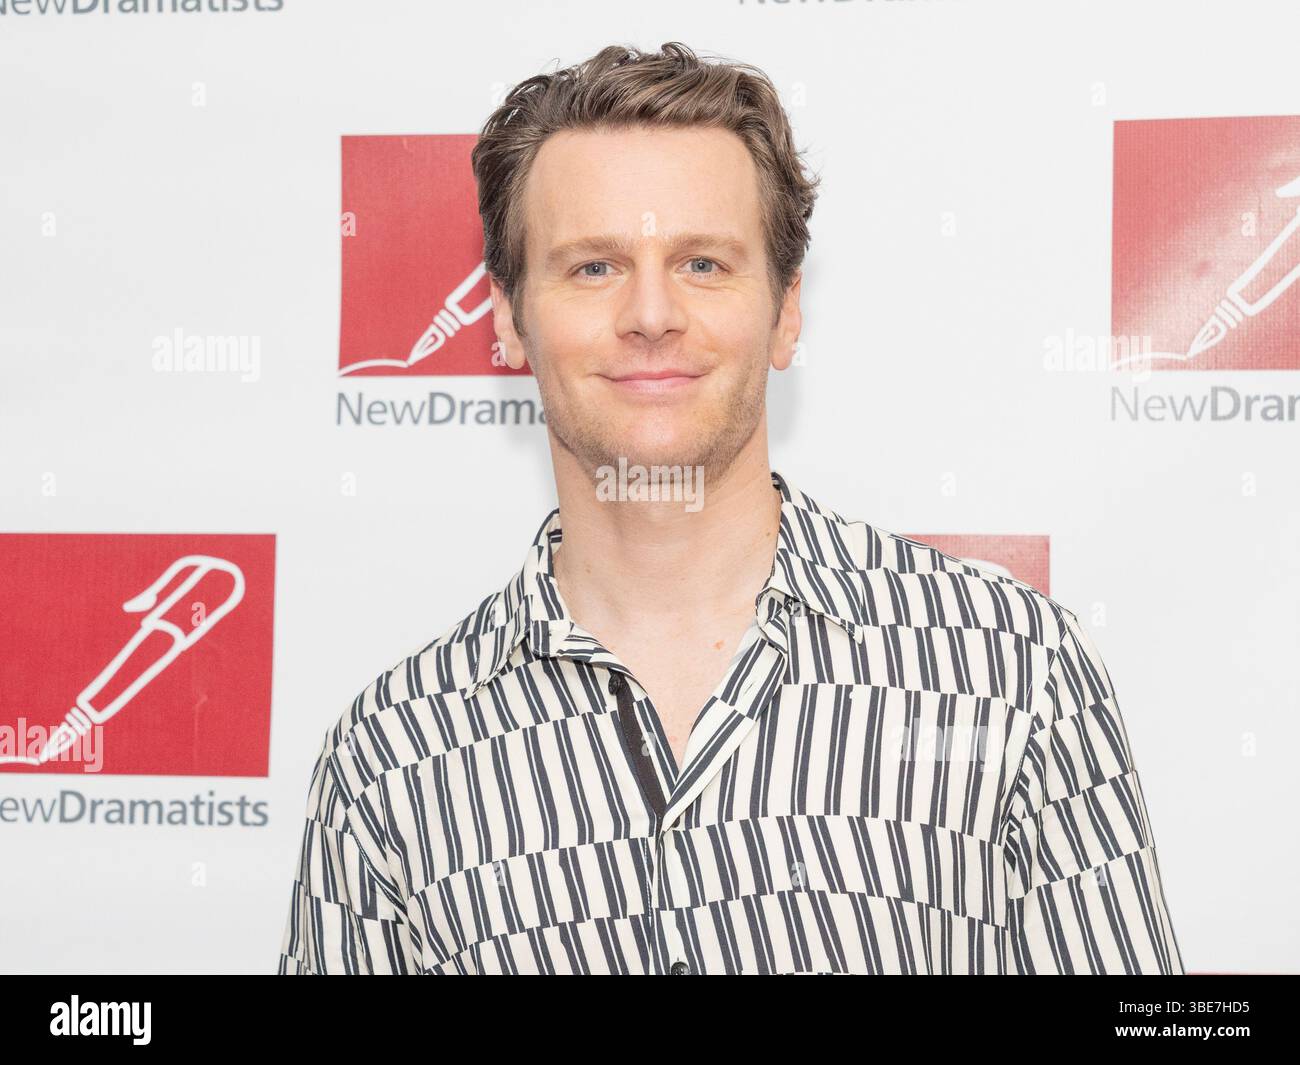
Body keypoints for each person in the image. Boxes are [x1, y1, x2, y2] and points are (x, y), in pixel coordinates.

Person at [277, 41, 1183, 975]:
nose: (652, 313)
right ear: (507, 317)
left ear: (787, 308)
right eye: (593, 267)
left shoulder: (1014, 673)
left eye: (704, 263)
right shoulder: (392, 757)